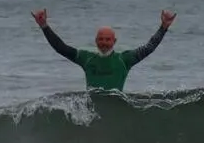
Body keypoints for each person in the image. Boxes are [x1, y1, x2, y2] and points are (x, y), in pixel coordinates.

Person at [31, 8, 177, 91]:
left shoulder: (124, 60)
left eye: (107, 39)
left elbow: (149, 48)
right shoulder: (86, 58)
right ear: (96, 41)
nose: (104, 43)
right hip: (92, 111)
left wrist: (163, 28)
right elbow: (61, 48)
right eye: (101, 39)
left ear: (114, 41)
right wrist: (44, 26)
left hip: (116, 110)